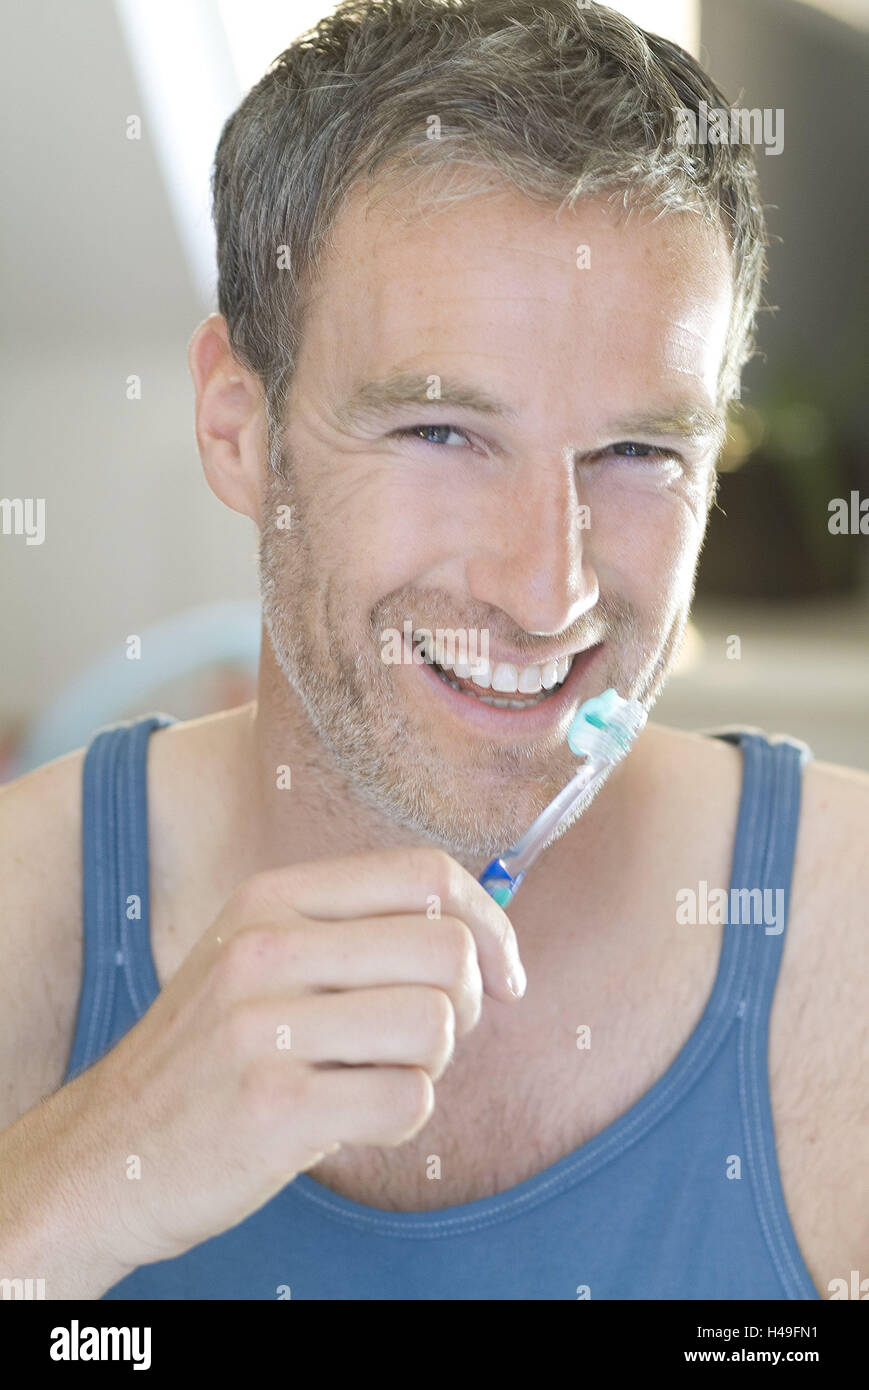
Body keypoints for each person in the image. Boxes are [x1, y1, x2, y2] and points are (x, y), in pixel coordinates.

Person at [1, 0, 866, 1301]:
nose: (546, 587)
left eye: (637, 453)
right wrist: (74, 1183)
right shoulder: (25, 921)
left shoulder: (843, 945)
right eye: (440, 435)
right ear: (239, 428)